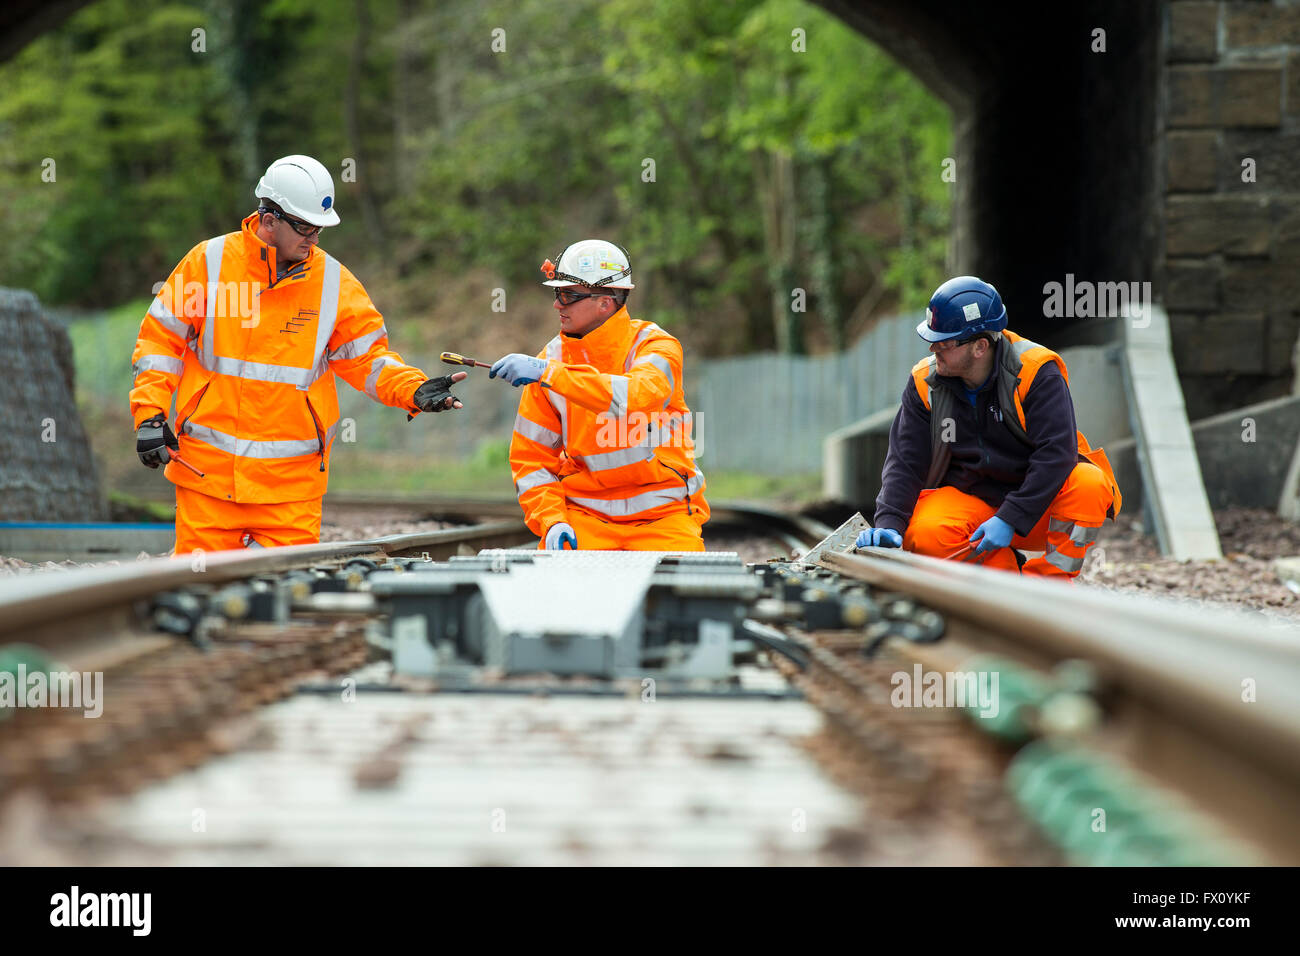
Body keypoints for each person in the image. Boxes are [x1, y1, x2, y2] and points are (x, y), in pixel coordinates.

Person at [129, 154, 465, 553]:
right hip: (208, 479)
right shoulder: (209, 264)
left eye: (320, 229)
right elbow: (158, 343)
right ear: (269, 219)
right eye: (305, 226)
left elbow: (368, 360)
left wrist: (413, 389)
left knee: (291, 601)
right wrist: (149, 416)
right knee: (200, 596)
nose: (314, 238)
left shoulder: (334, 284)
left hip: (291, 489)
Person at [856, 275, 1121, 579]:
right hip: (973, 503)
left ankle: (1051, 586)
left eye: (944, 342)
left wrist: (1011, 518)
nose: (933, 349)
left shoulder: (1036, 372)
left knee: (1089, 484)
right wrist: (889, 523)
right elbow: (905, 461)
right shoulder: (925, 383)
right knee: (927, 534)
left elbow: (1056, 454)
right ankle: (1004, 584)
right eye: (932, 340)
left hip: (1037, 505)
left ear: (980, 346)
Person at [490, 239, 708, 551]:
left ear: (605, 302)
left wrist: (550, 374)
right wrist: (552, 520)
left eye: (566, 295)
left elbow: (635, 398)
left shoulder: (655, 347)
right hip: (585, 518)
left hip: (665, 517)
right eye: (556, 293)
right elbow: (531, 459)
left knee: (688, 593)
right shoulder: (549, 360)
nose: (557, 304)